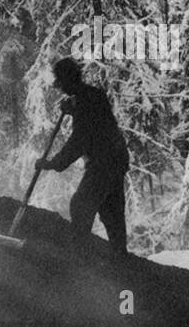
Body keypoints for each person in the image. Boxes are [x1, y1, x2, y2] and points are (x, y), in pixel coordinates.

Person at [35, 56, 131, 256]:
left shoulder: (85, 100)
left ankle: (80, 258)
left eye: (61, 83)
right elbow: (95, 120)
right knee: (111, 210)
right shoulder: (92, 94)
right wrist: (73, 110)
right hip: (117, 158)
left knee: (81, 205)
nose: (60, 88)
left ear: (68, 80)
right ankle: (120, 259)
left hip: (104, 161)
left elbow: (80, 140)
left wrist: (53, 163)